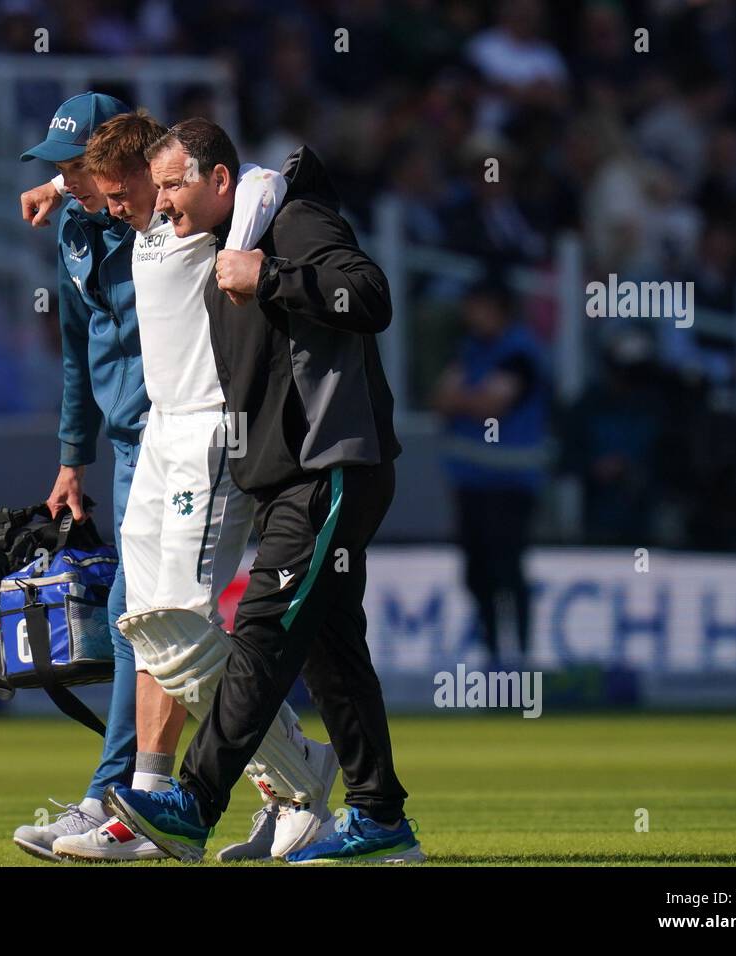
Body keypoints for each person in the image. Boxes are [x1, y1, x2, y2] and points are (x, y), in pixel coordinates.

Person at [104, 120, 421, 865]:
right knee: (332, 653)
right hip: (294, 475)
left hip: (330, 466)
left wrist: (272, 277)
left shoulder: (294, 222)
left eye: (175, 185)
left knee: (265, 631)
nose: (162, 201)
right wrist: (61, 186)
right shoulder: (223, 241)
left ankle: (193, 802)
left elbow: (370, 295)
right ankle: (380, 820)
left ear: (220, 182)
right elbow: (107, 179)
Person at [38, 110, 336, 863]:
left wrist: (231, 218)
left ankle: (292, 782)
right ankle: (223, 785)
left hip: (210, 431)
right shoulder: (136, 215)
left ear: (161, 175)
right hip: (158, 431)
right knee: (146, 624)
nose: (117, 206)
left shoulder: (204, 218)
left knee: (184, 623)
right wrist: (56, 183)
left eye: (124, 191)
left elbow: (262, 178)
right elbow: (110, 185)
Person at [8, 91, 149, 860]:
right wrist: (72, 455)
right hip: (127, 446)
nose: (67, 179)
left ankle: (116, 796)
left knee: (147, 617)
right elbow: (76, 347)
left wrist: (68, 187)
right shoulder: (75, 229)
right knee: (165, 625)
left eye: (77, 166)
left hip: (186, 435)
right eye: (59, 167)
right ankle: (292, 777)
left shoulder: (160, 219)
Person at [433, 274, 549, 668]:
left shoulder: (520, 353)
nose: (470, 315)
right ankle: (493, 654)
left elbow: (489, 406)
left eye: (478, 306)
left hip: (511, 483)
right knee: (477, 572)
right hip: (470, 482)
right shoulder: (468, 349)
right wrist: (470, 399)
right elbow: (443, 400)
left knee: (506, 568)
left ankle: (518, 655)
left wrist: (465, 399)